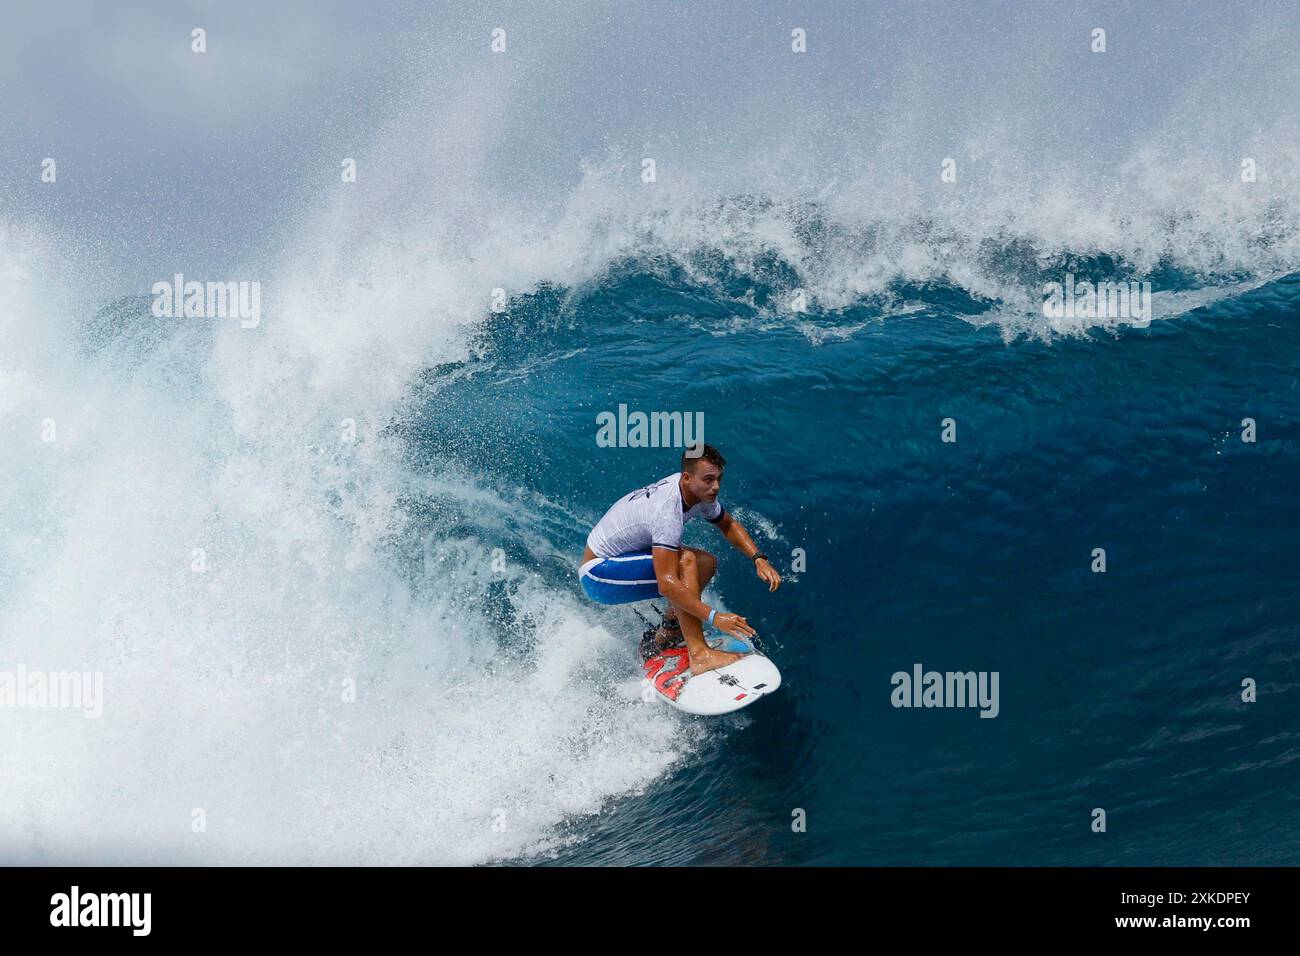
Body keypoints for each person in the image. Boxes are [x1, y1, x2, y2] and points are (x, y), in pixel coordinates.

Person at [578, 444, 782, 674]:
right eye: (709, 479)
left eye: (718, 479)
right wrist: (715, 617)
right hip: (599, 575)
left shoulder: (696, 490)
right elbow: (666, 584)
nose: (715, 487)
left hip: (621, 560)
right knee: (685, 561)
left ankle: (669, 632)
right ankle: (699, 655)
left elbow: (727, 524)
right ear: (687, 478)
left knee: (706, 563)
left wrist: (758, 558)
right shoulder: (667, 510)